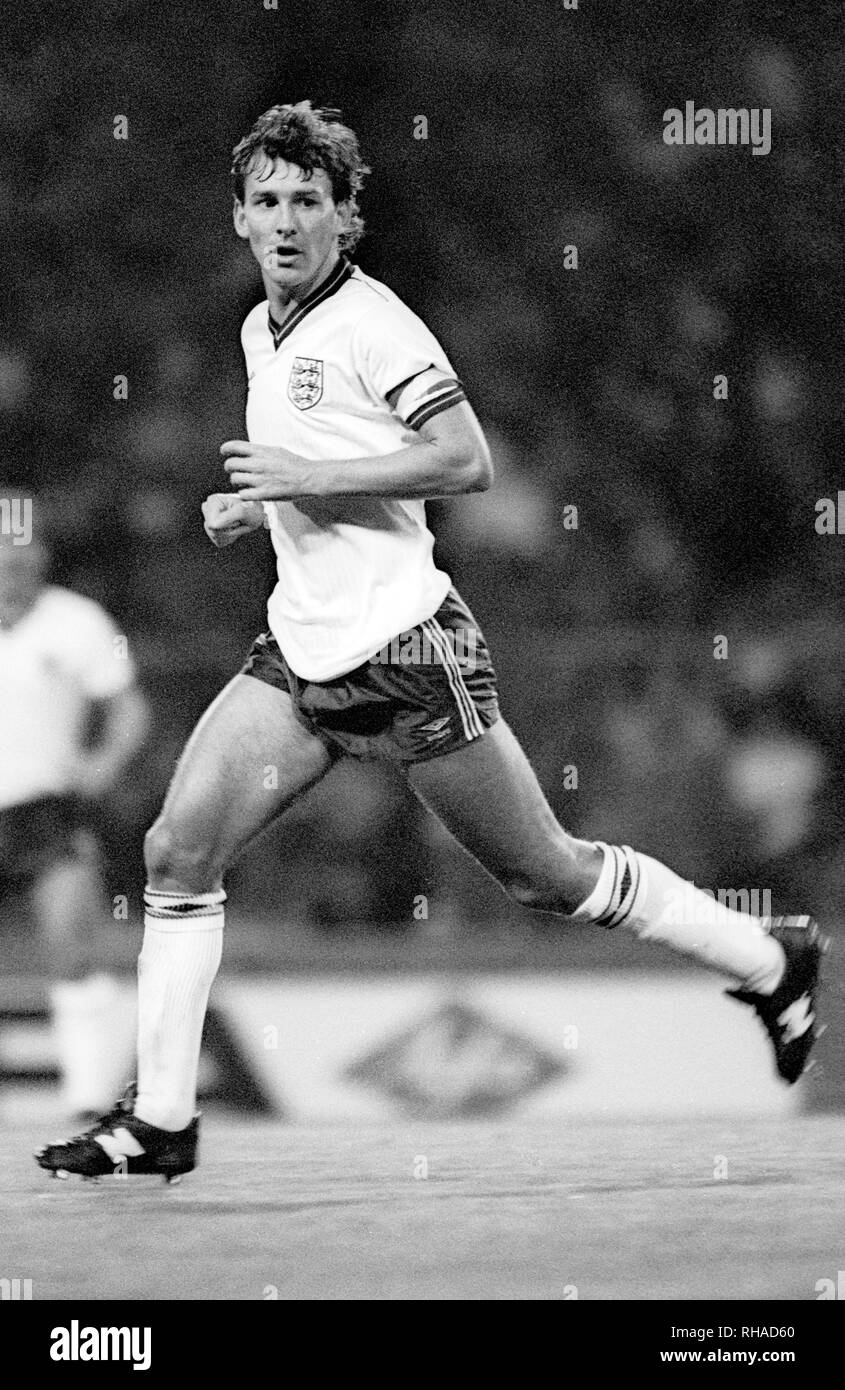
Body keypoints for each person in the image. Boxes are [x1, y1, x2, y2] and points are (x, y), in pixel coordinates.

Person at [36, 103, 825, 1183]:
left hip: (409, 652)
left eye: (308, 201)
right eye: (265, 200)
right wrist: (255, 511)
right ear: (237, 218)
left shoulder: (373, 322)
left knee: (546, 876)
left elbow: (463, 459)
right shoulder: (260, 329)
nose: (284, 220)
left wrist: (303, 482)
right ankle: (162, 1117)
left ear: (346, 219)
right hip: (299, 654)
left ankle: (767, 956)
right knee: (176, 851)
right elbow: (319, 465)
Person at [0, 494, 149, 1117]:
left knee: (71, 943)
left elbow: (127, 707)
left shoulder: (79, 622)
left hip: (46, 807)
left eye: (26, 544)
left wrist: (105, 763)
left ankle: (90, 1100)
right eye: (6, 544)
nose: (16, 556)